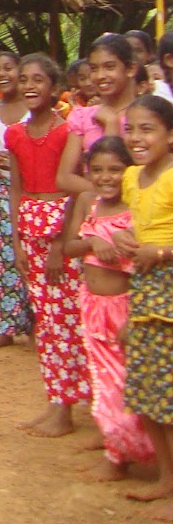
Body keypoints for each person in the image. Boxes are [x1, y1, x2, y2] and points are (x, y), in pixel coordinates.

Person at [59, 136, 153, 482]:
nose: (106, 177)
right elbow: (70, 245)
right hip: (92, 305)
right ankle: (117, 454)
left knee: (127, 384)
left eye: (116, 169)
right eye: (97, 170)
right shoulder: (89, 202)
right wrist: (94, 241)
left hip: (126, 309)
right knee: (103, 383)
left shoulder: (137, 205)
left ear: (130, 172)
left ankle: (130, 452)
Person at [8, 53, 92, 437]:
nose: (29, 85)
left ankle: (68, 408)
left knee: (64, 321)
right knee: (47, 320)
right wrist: (16, 241)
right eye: (24, 78)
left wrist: (61, 242)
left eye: (38, 79)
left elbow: (77, 190)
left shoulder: (66, 133)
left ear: (54, 87)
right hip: (29, 225)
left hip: (59, 227)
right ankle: (57, 400)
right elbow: (15, 188)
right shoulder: (15, 134)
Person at [119, 95, 173, 515]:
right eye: (130, 129)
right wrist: (126, 242)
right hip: (143, 291)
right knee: (147, 389)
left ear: (170, 136)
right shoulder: (131, 178)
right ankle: (165, 477)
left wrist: (161, 252)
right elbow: (133, 231)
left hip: (168, 287)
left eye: (147, 129)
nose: (136, 138)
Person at [0, 50, 34, 349]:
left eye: (9, 68)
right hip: (2, 192)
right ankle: (8, 325)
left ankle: (38, 325)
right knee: (7, 258)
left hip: (36, 190)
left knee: (35, 255)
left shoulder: (36, 108)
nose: (3, 74)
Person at [59, 34, 144, 195]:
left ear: (131, 69)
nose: (100, 76)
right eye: (94, 69)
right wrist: (104, 190)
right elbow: (64, 178)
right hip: (96, 213)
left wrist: (112, 123)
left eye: (109, 67)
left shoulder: (147, 115)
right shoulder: (83, 116)